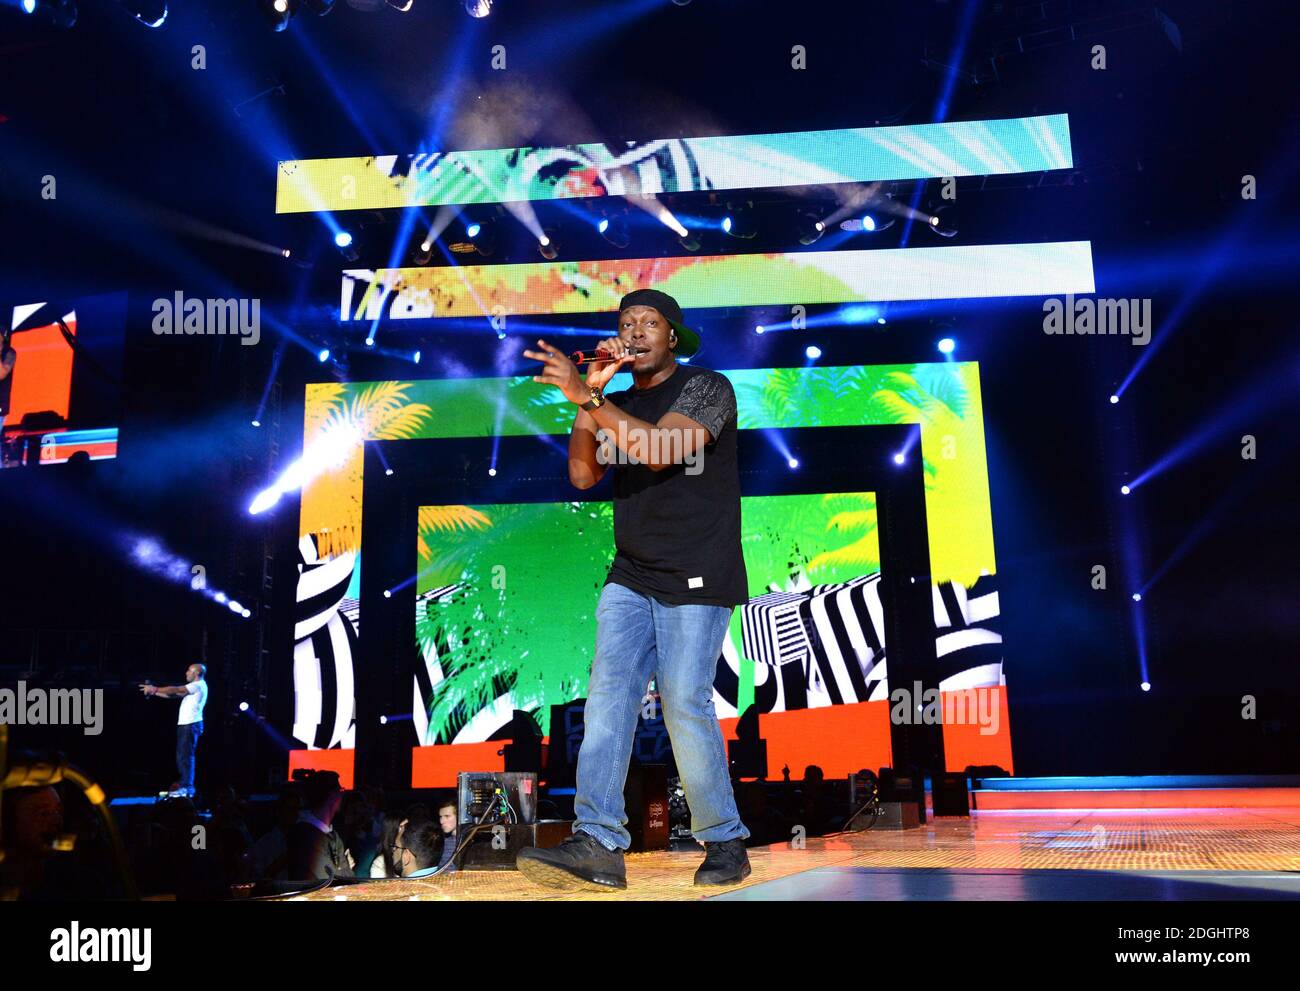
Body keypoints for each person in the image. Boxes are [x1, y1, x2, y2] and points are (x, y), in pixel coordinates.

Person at [517, 288, 751, 890]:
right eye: (628, 322)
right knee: (607, 699)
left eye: (651, 322)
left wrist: (590, 396)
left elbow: (659, 450)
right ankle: (597, 839)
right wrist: (590, 396)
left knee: (681, 700)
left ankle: (724, 840)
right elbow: (582, 474)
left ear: (672, 336)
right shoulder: (611, 400)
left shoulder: (708, 388)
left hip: (696, 572)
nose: (638, 331)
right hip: (633, 572)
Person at [138, 663, 208, 798]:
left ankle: (187, 787)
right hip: (187, 725)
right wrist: (154, 692)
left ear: (197, 673)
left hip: (190, 724)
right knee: (182, 756)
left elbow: (175, 690)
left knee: (185, 756)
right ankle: (185, 785)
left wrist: (155, 688)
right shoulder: (193, 688)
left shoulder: (198, 685)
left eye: (189, 671)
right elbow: (172, 695)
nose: (186, 673)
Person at [286, 771, 353, 882]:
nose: (342, 795)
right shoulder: (305, 835)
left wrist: (343, 872)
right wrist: (343, 871)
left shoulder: (333, 834)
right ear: (332, 796)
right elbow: (331, 879)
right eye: (340, 791)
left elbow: (349, 877)